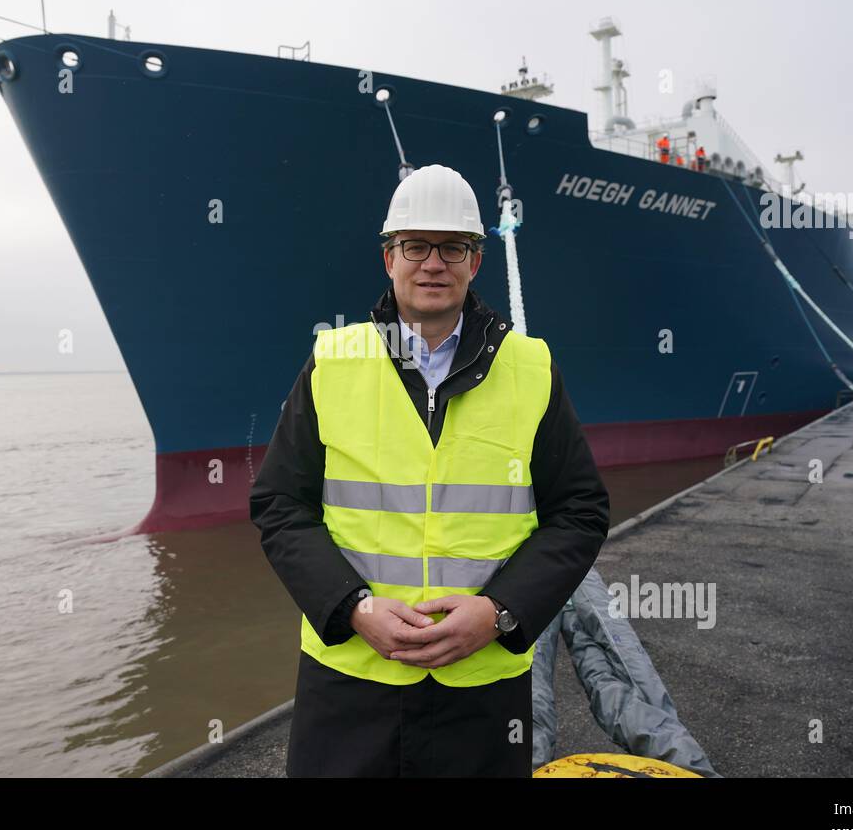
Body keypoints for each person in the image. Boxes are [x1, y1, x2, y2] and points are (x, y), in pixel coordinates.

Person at [250, 164, 610, 777]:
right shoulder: (333, 363)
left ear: (476, 262)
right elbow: (280, 505)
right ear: (388, 258)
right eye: (415, 246)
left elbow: (578, 512)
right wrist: (354, 608)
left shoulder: (531, 368)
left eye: (453, 248)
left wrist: (498, 612)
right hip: (350, 683)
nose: (433, 264)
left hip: (482, 687)